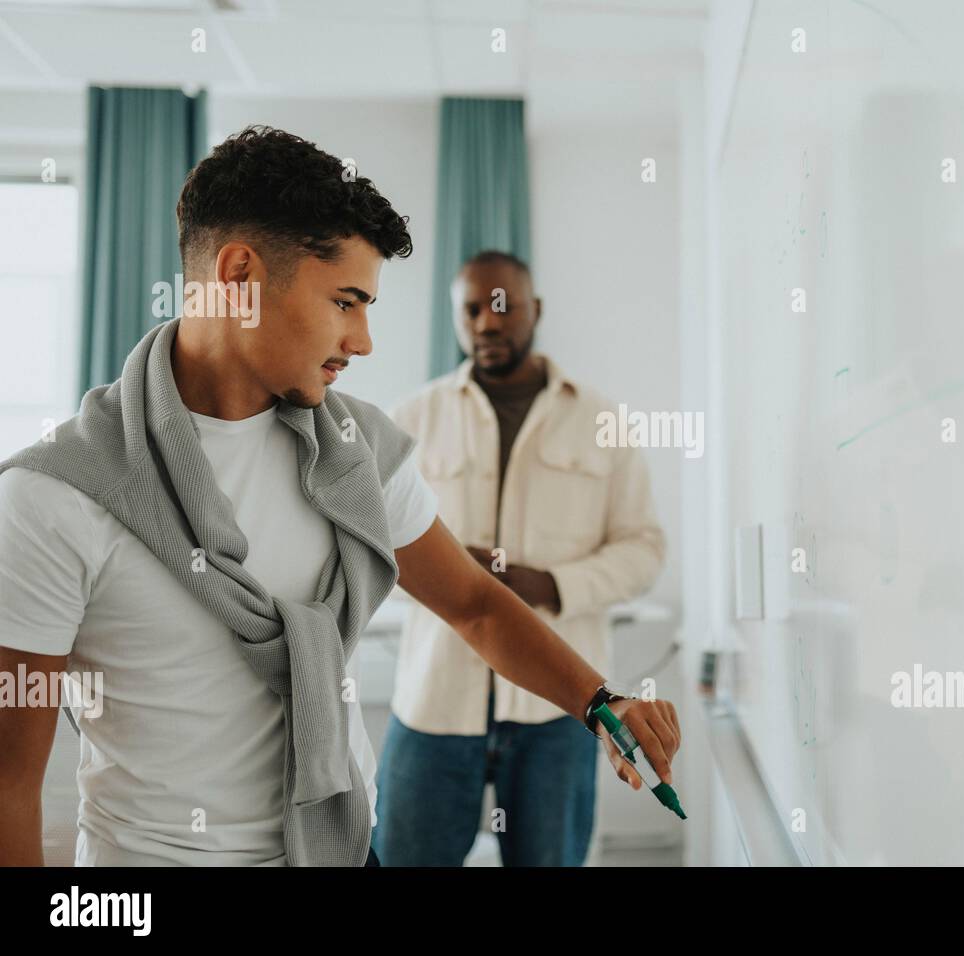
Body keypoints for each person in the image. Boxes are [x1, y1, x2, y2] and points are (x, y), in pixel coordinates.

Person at [0, 127, 679, 867]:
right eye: (346, 301)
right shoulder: (53, 497)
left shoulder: (359, 454)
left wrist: (600, 702)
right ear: (239, 276)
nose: (363, 341)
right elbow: (8, 786)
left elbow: (474, 606)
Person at [376, 250, 666, 866]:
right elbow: (374, 551)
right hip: (433, 701)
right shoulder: (410, 420)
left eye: (502, 305)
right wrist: (449, 575)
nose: (487, 322)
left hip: (557, 709)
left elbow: (644, 550)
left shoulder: (602, 421)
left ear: (536, 310)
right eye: (471, 309)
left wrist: (549, 583)